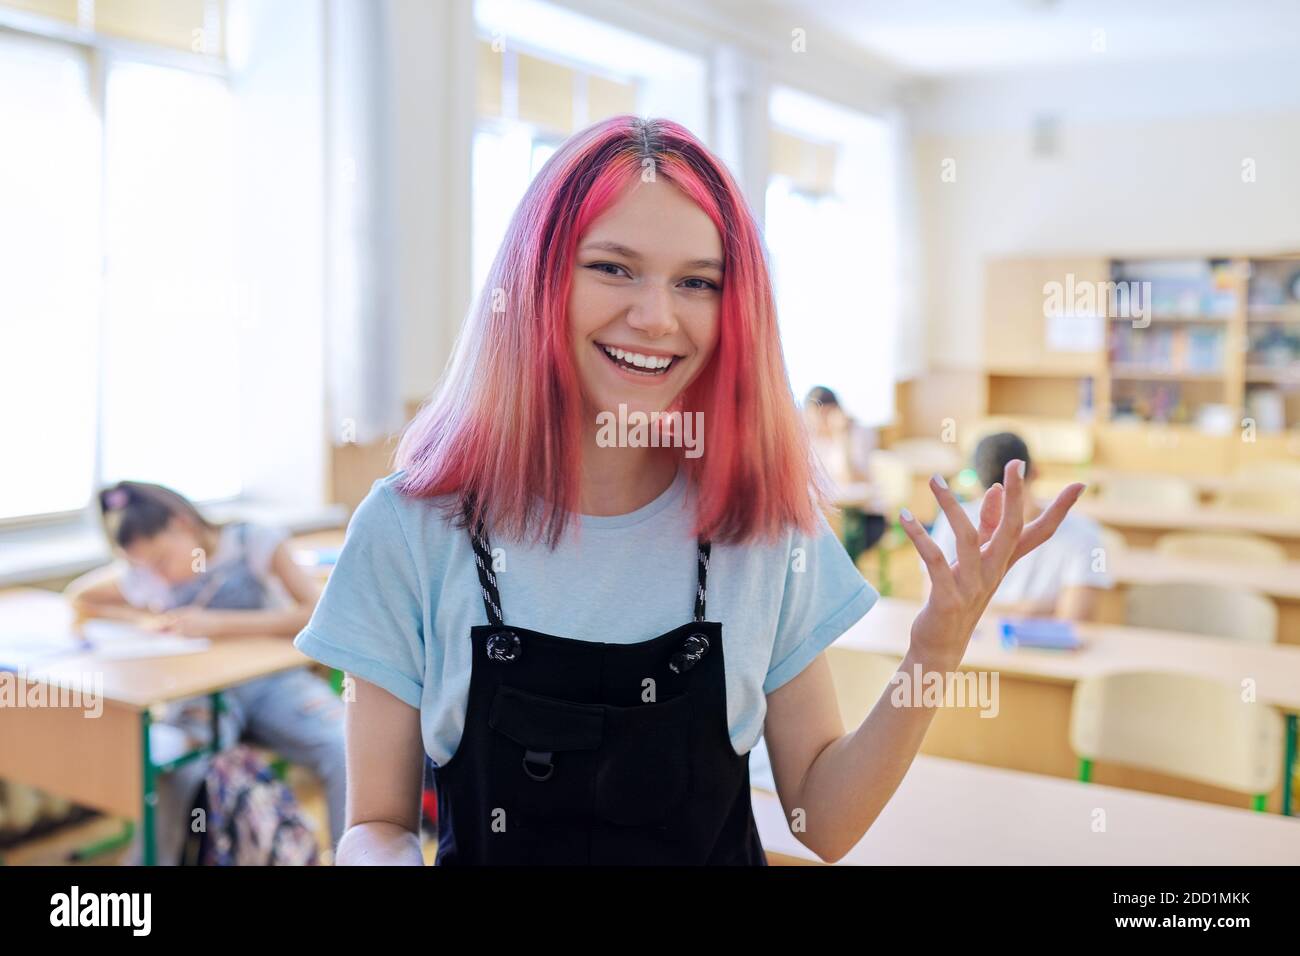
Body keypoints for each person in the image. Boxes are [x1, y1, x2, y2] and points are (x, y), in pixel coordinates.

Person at [295, 115, 1085, 866]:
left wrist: (936, 648)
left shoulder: (766, 527)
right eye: (613, 268)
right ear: (535, 282)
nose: (656, 316)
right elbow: (377, 822)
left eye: (698, 282)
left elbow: (825, 821)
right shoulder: (411, 528)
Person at [64, 480, 346, 864]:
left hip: (276, 686)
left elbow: (317, 615)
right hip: (204, 697)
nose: (159, 577)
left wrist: (219, 624)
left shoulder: (253, 541)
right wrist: (144, 618)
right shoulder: (148, 576)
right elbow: (79, 597)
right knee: (176, 770)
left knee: (343, 746)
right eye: (145, 568)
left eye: (162, 560)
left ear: (183, 524)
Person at [925, 432, 1110, 621]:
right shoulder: (1085, 533)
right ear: (1036, 471)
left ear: (975, 482)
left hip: (982, 642)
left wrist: (976, 607)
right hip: (985, 646)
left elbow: (1074, 620)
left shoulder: (952, 522)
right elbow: (940, 607)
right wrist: (1038, 609)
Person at [803, 385, 886, 559]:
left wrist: (842, 437)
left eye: (826, 415)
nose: (820, 422)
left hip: (865, 518)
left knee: (833, 552)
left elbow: (849, 478)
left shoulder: (859, 434)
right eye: (815, 416)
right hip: (830, 518)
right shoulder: (810, 440)